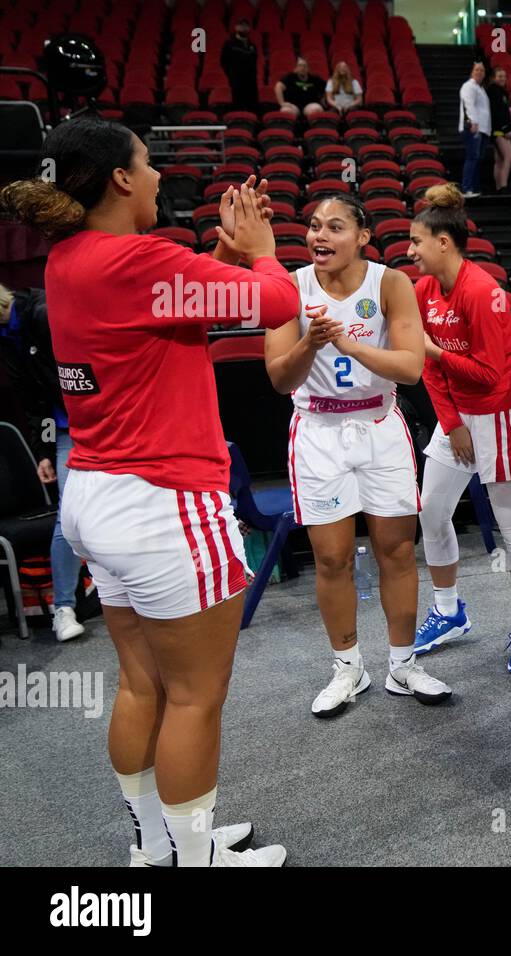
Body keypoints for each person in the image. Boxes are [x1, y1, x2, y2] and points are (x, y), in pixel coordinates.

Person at [0, 117, 300, 866]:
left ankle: (160, 846)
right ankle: (196, 864)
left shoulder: (71, 258)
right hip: (163, 500)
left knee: (140, 683)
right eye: (148, 163)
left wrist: (224, 255)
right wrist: (261, 254)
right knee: (195, 697)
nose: (161, 176)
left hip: (95, 494)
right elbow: (276, 304)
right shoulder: (138, 262)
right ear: (122, 179)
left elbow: (168, 302)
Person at [263, 194, 446, 718]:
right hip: (318, 429)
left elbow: (410, 368)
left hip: (379, 424)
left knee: (397, 551)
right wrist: (311, 345)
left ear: (363, 236)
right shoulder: (288, 288)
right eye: (314, 226)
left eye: (335, 227)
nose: (320, 236)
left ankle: (403, 663)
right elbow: (279, 379)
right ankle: (348, 667)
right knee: (332, 558)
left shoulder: (390, 283)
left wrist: (346, 343)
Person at [409, 184, 511, 674]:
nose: (410, 251)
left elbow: (488, 374)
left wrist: (438, 352)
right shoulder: (423, 291)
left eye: (417, 241)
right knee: (431, 511)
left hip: (500, 415)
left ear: (443, 242)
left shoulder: (483, 292)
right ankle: (449, 612)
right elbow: (430, 370)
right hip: (457, 419)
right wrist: (450, 423)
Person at [0, 282, 85, 641]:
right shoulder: (6, 337)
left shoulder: (44, 313)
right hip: (65, 430)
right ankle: (63, 608)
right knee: (69, 515)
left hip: (103, 422)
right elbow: (34, 403)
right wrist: (45, 452)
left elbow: (84, 370)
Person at [458, 62, 491, 199]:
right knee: (472, 157)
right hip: (474, 127)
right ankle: (466, 188)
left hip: (483, 129)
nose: (479, 72)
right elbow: (468, 104)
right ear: (472, 72)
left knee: (478, 159)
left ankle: (474, 187)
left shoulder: (480, 88)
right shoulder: (468, 86)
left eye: (482, 70)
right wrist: (473, 122)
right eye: (477, 69)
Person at [487, 66, 511, 193]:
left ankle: (499, 187)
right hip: (499, 130)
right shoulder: (494, 91)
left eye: (504, 76)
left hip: (499, 129)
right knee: (509, 157)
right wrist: (506, 129)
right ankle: (503, 187)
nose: (502, 79)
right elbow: (497, 112)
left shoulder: (500, 91)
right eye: (499, 76)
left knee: (500, 159)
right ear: (493, 78)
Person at [219, 18, 258, 113]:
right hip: (236, 80)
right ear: (236, 27)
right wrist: (232, 75)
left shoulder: (252, 46)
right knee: (237, 107)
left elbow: (255, 62)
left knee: (252, 107)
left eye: (246, 26)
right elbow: (223, 62)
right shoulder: (229, 44)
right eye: (241, 25)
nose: (244, 28)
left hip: (251, 81)